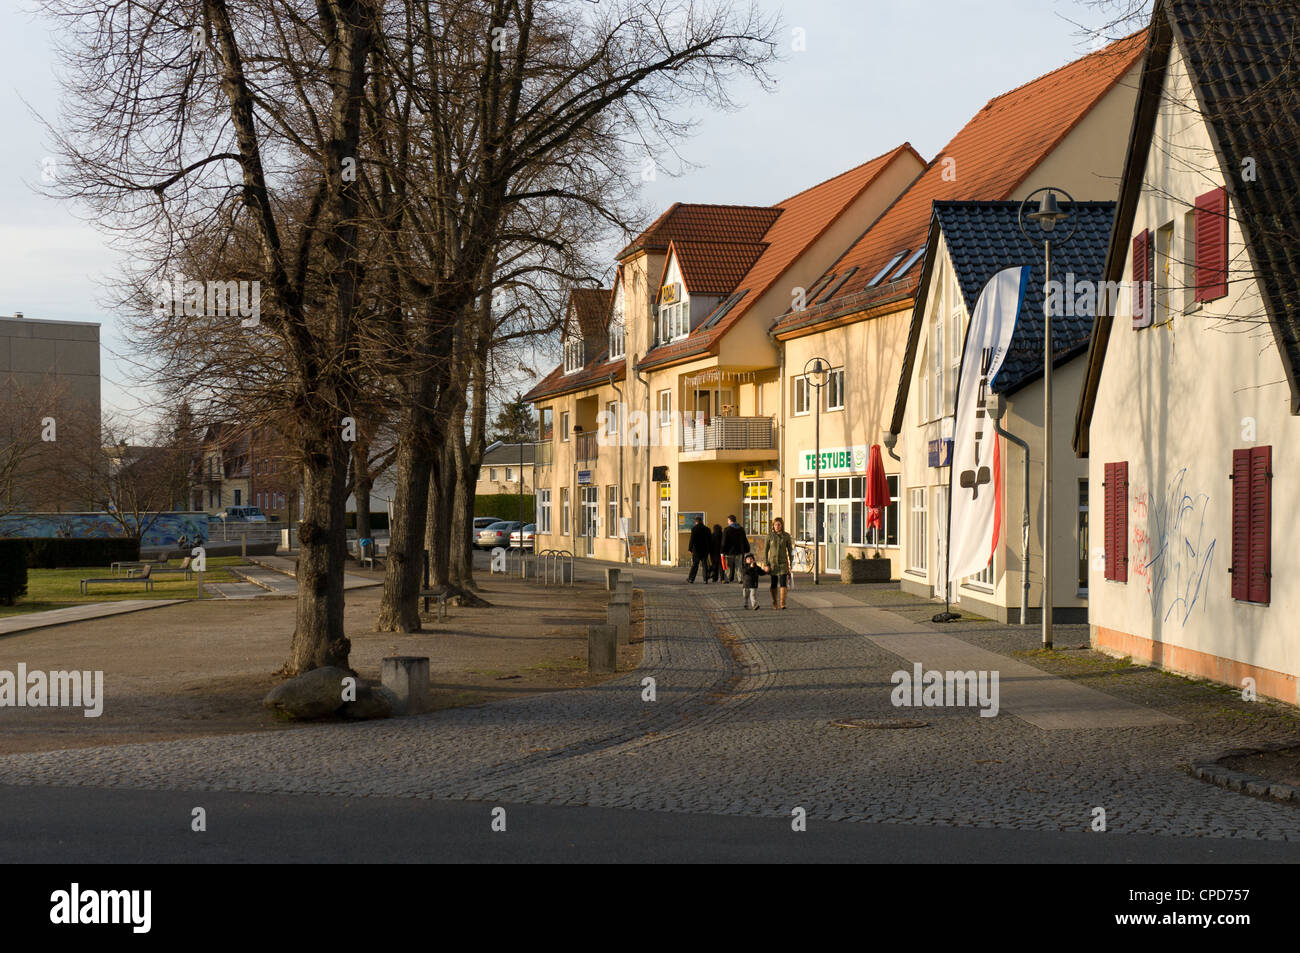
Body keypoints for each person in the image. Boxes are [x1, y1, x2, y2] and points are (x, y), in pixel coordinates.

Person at [762, 516, 794, 609]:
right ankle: (775, 602)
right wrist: (766, 564)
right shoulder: (769, 536)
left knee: (783, 583)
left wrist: (791, 563)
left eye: (779, 525)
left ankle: (783, 603)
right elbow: (765, 551)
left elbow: (790, 550)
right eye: (775, 525)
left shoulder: (786, 536)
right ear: (773, 526)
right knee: (774, 583)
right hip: (773, 563)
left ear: (782, 526)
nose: (777, 526)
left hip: (783, 563)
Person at [721, 515, 749, 583]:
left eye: (728, 520)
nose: (727, 522)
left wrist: (722, 551)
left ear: (730, 520)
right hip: (739, 551)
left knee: (728, 566)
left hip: (729, 552)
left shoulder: (727, 529)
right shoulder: (741, 529)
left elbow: (724, 541)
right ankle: (740, 579)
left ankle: (727, 579)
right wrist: (746, 549)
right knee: (739, 566)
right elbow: (744, 540)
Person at [686, 515, 712, 583]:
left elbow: (692, 539)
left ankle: (691, 579)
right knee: (704, 565)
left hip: (696, 550)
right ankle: (705, 579)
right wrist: (709, 549)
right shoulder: (707, 529)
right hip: (705, 550)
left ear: (696, 522)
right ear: (702, 521)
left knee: (695, 565)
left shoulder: (694, 529)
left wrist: (690, 548)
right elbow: (710, 540)